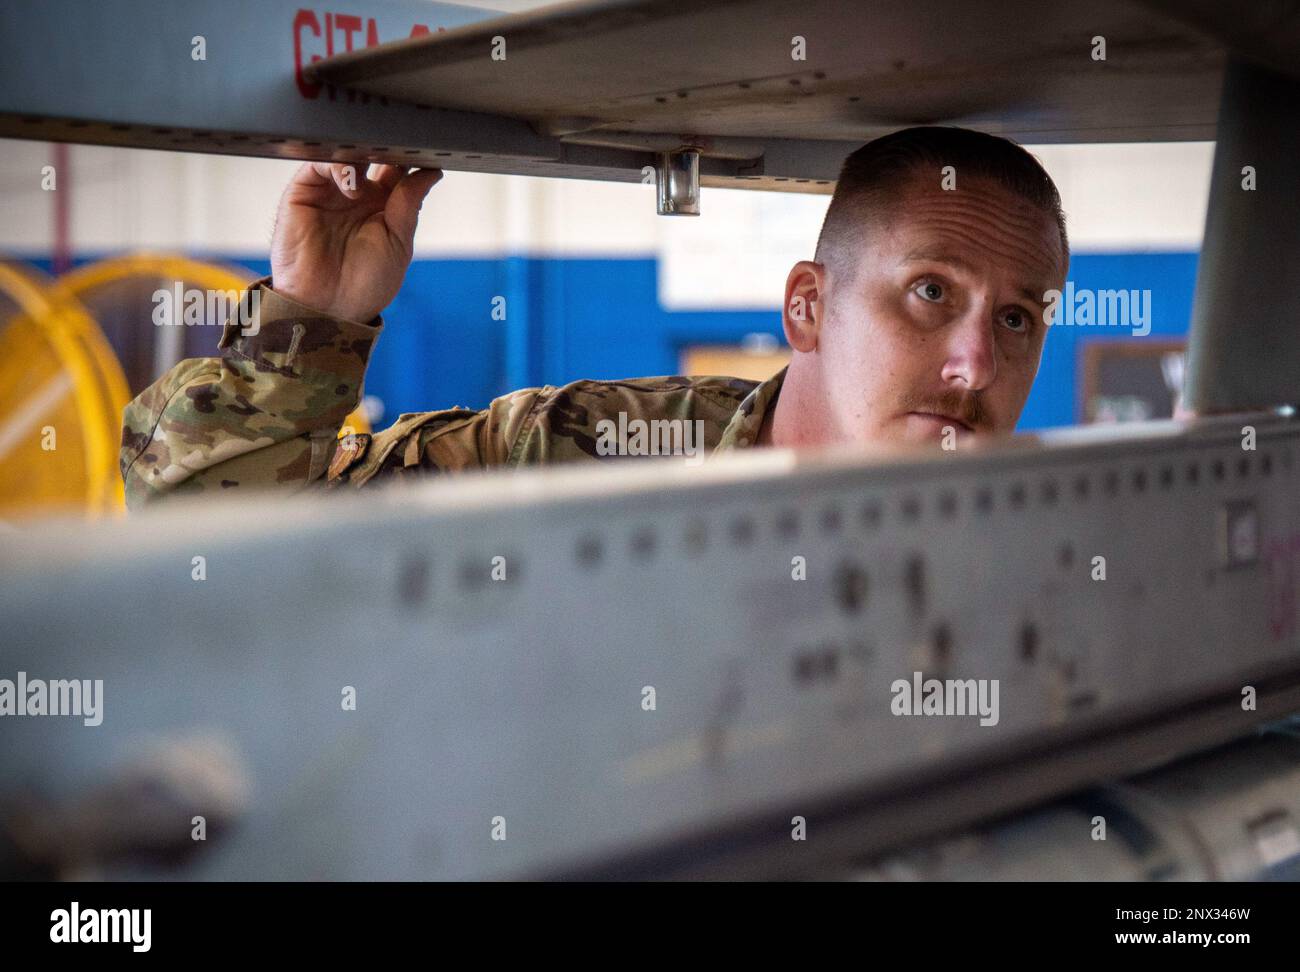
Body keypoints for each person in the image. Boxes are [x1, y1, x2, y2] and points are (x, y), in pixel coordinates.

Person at [120, 126, 1068, 509]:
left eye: (1019, 319)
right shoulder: (576, 459)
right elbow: (196, 542)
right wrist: (310, 326)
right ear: (808, 307)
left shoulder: (1060, 539)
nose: (976, 363)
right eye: (932, 293)